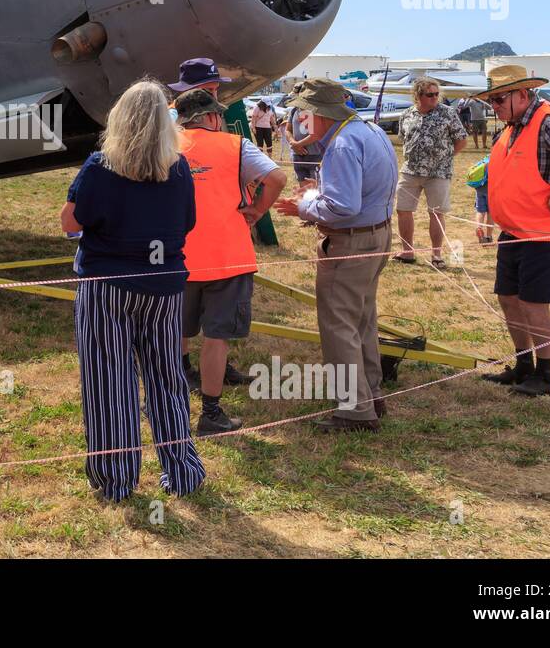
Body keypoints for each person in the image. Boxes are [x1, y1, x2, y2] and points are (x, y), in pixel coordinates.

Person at [60, 80, 205, 501]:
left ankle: (116, 480)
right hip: (163, 288)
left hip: (108, 287)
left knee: (110, 383)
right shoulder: (177, 167)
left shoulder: (100, 165)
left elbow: (71, 223)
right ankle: (182, 473)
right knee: (166, 379)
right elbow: (188, 222)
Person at [274, 79, 399, 432]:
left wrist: (304, 204)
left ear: (316, 114)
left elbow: (342, 207)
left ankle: (354, 410)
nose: (299, 119)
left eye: (303, 112)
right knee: (362, 319)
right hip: (377, 236)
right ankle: (370, 393)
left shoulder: (342, 144)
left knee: (338, 324)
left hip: (350, 243)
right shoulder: (370, 130)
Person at [474, 66, 550, 396]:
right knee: (509, 299)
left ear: (522, 95)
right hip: (514, 232)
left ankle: (545, 375)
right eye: (491, 101)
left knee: (533, 303)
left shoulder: (547, 121)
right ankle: (523, 365)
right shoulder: (514, 126)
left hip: (543, 235)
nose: (494, 106)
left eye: (498, 99)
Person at [174, 88, 287, 434]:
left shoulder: (163, 146)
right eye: (218, 114)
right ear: (210, 117)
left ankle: (164, 401)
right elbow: (277, 178)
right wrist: (256, 210)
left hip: (174, 257)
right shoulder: (235, 145)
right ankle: (210, 413)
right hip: (227, 257)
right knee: (217, 337)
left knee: (173, 330)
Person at [394, 79, 467, 268]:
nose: (435, 97)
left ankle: (436, 254)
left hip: (438, 173)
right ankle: (407, 251)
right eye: (430, 94)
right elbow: (403, 138)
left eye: (436, 94)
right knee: (403, 209)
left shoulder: (447, 113)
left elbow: (461, 140)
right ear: (418, 96)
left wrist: (446, 158)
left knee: (436, 213)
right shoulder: (407, 114)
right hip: (410, 171)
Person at [467, 155, 493, 244]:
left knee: (480, 212)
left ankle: (479, 227)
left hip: (479, 189)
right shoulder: (497, 161)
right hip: (491, 191)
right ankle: (489, 237)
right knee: (490, 214)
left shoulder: (485, 159)